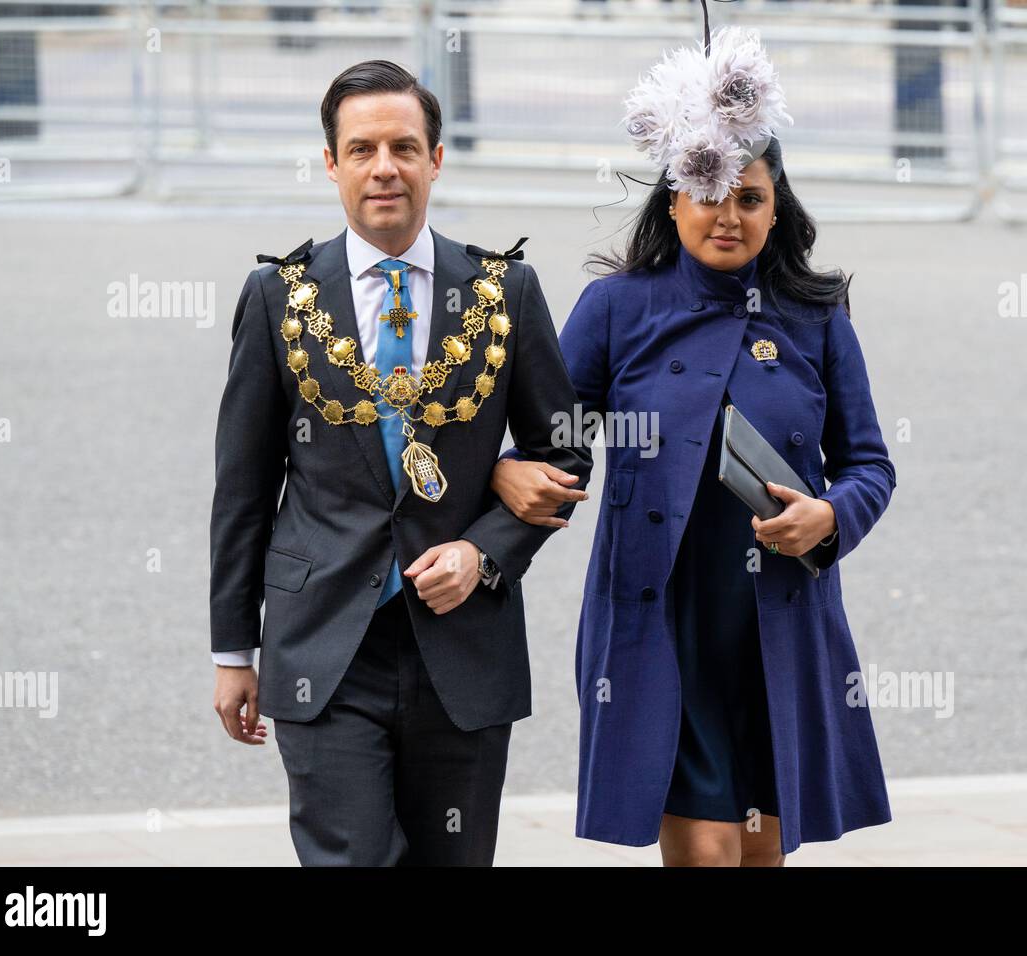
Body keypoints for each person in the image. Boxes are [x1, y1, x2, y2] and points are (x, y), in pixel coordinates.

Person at [490, 24, 897, 866]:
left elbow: (870, 465)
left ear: (776, 206)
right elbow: (553, 433)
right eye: (708, 191)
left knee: (760, 852)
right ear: (673, 198)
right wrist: (504, 470)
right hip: (660, 616)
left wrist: (829, 516)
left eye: (750, 196)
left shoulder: (816, 317)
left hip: (778, 617)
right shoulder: (616, 309)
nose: (728, 213)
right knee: (707, 852)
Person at [208, 59, 591, 866]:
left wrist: (484, 552)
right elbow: (243, 488)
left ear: (436, 159)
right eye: (363, 149)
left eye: (405, 147)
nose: (385, 167)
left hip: (462, 649)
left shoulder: (504, 291)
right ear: (332, 164)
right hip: (324, 649)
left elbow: (565, 447)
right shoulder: (279, 296)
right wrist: (233, 653)